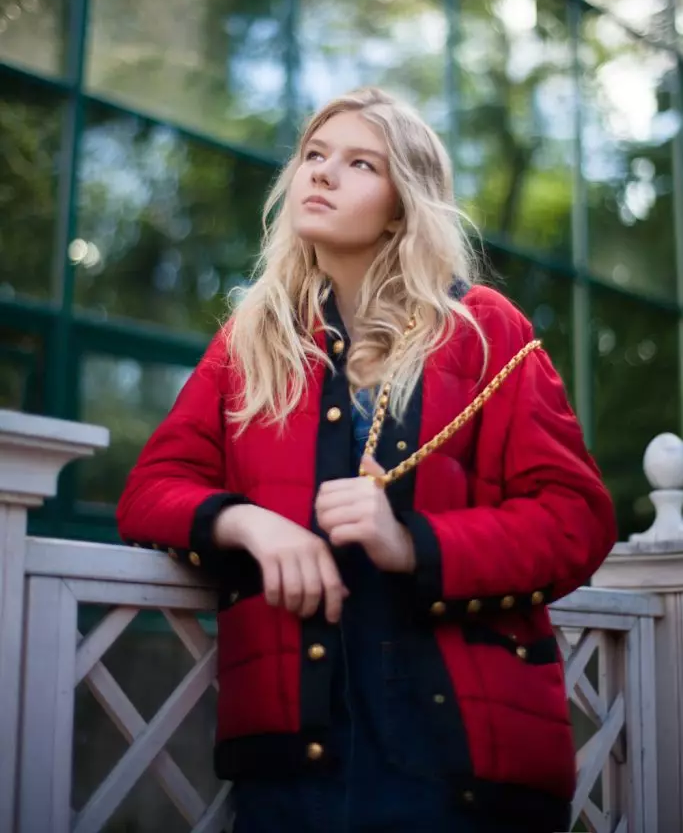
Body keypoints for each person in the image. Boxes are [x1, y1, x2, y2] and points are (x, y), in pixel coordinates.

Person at [117, 87, 617, 833]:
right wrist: (249, 524)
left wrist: (408, 541)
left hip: (458, 758)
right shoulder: (251, 342)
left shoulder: (483, 329)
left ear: (400, 205)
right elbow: (149, 491)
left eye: (359, 163)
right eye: (313, 156)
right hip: (294, 761)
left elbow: (575, 519)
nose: (320, 174)